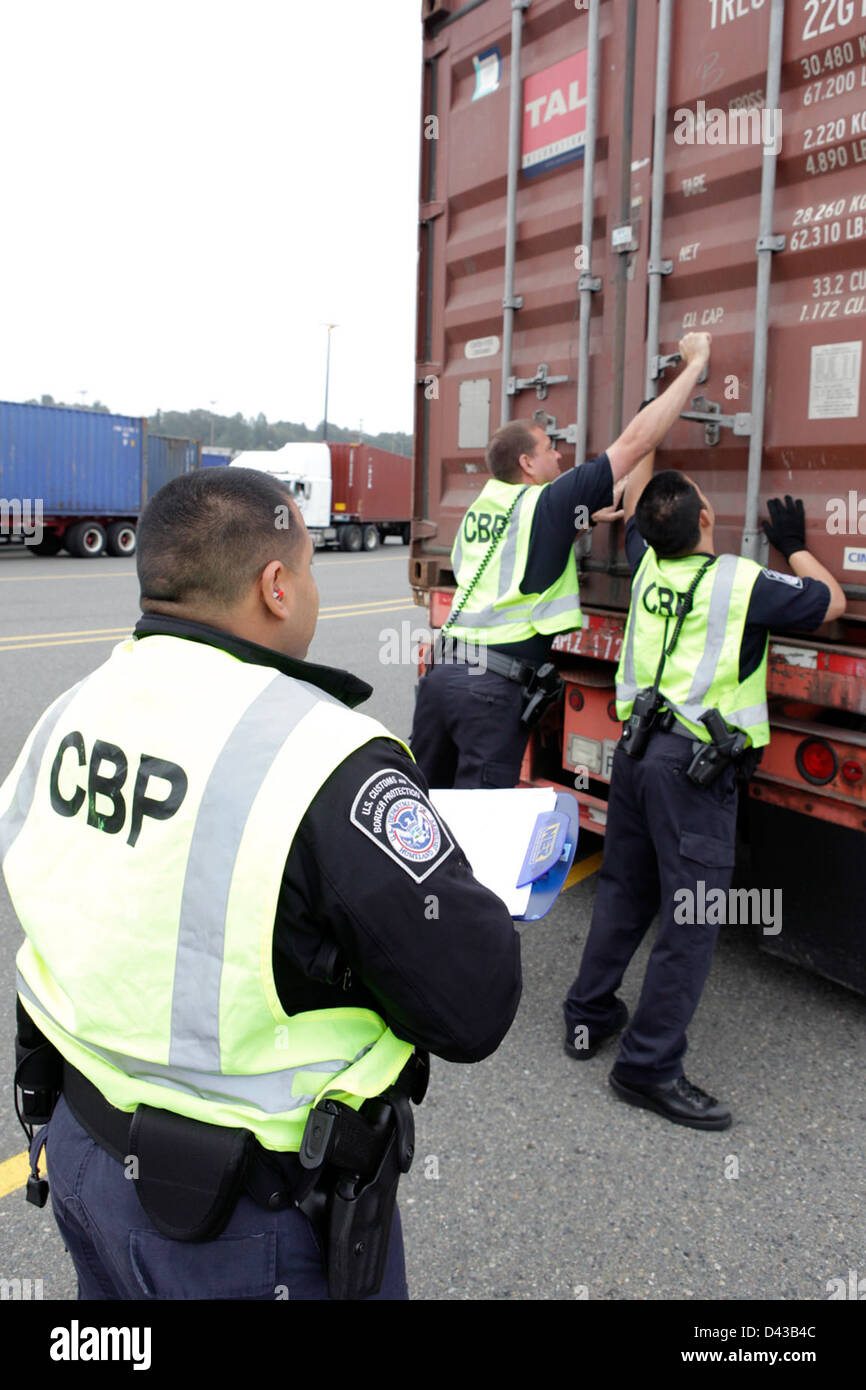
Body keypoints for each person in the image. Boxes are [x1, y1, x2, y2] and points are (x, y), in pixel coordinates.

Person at [2, 466, 522, 1301]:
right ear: (276, 586)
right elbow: (472, 1006)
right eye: (310, 566)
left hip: (79, 1151)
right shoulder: (324, 755)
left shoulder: (74, 708)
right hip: (238, 1217)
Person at [561, 438, 846, 1130]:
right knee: (690, 921)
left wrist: (655, 428)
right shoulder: (742, 581)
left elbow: (639, 509)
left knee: (627, 889)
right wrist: (792, 546)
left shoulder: (647, 561)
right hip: (691, 773)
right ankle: (647, 1068)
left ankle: (587, 1016)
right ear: (708, 521)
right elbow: (832, 602)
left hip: (634, 754)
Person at [410, 333, 716, 790]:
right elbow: (636, 441)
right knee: (480, 825)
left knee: (424, 808)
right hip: (489, 693)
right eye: (549, 447)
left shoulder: (483, 506)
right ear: (527, 464)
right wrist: (695, 365)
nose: (559, 452)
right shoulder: (548, 504)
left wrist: (579, 521)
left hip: (444, 678)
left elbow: (514, 551)